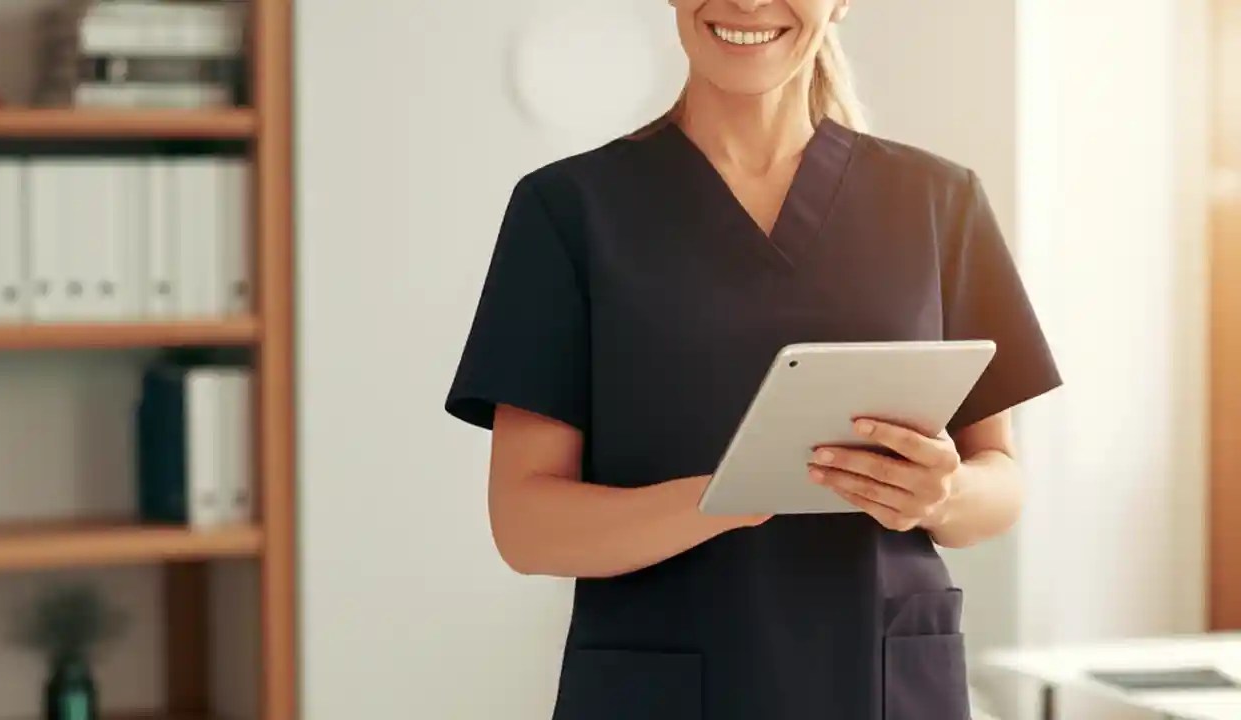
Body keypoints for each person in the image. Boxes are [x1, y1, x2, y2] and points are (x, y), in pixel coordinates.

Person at [445, 0, 1061, 717]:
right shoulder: (568, 211)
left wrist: (942, 494)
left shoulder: (938, 201)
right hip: (667, 689)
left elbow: (1002, 483)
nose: (745, 2)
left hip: (880, 684)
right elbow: (527, 526)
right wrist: (726, 497)